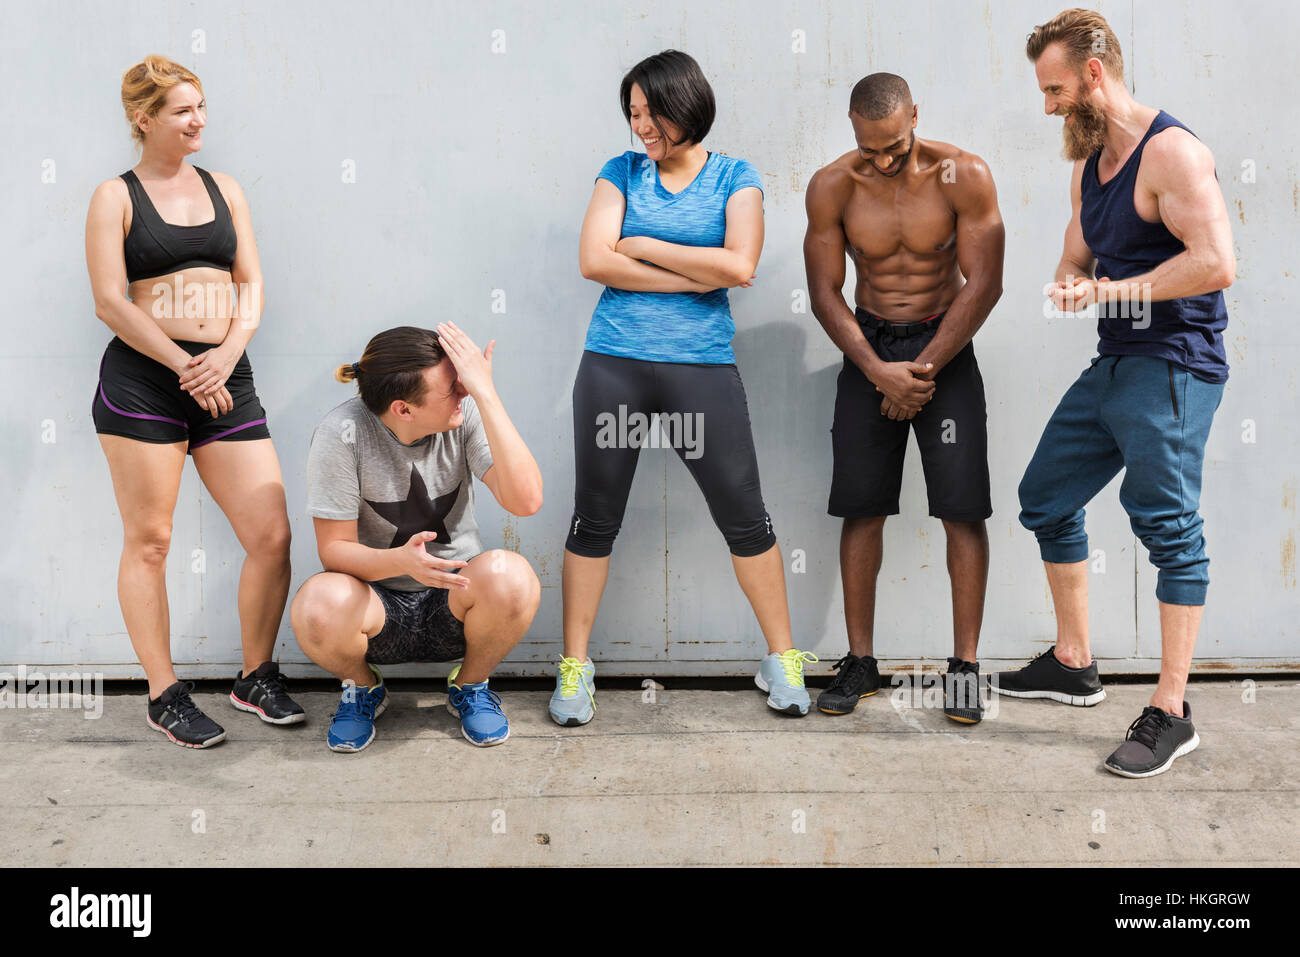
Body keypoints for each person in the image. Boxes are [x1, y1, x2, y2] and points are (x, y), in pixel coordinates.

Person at [996, 9, 1235, 777]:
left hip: (1175, 363)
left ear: (1095, 74)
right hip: (1117, 361)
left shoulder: (1174, 154)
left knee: (1165, 523)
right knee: (1045, 495)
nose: (1049, 106)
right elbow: (1077, 255)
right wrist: (1071, 285)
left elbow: (1215, 263)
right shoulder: (1089, 160)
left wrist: (1114, 291)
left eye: (1056, 88)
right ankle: (1074, 660)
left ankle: (1171, 708)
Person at [554, 49, 816, 725]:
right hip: (614, 363)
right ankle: (575, 666)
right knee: (594, 515)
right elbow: (592, 259)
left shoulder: (737, 175)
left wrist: (637, 244)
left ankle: (781, 657)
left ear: (685, 105)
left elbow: (740, 262)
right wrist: (698, 274)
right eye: (633, 113)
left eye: (651, 112)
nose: (641, 126)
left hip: (700, 369)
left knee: (744, 515)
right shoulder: (619, 172)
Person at [86, 55, 300, 748]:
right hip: (146, 381)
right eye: (182, 110)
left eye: (201, 106)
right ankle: (164, 692)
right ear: (144, 120)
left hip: (225, 376)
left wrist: (228, 356)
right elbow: (110, 302)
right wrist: (184, 363)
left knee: (271, 534)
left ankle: (254, 677)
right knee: (151, 541)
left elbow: (253, 285)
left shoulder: (225, 188)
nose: (199, 119)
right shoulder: (114, 197)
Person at [803, 73, 1005, 723]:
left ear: (915, 115)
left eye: (893, 146)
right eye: (870, 148)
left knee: (962, 508)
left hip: (943, 347)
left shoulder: (964, 174)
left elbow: (986, 283)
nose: (883, 160)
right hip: (869, 348)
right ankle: (861, 662)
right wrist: (876, 369)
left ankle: (965, 667)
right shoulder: (834, 185)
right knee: (862, 508)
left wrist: (917, 372)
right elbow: (826, 293)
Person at [293, 324, 542, 752]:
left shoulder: (465, 414)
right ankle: (363, 688)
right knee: (317, 605)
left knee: (512, 577)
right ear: (404, 409)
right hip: (378, 608)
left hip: (453, 599)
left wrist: (487, 394)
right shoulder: (341, 433)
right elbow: (333, 550)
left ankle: (471, 685)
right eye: (454, 387)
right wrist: (402, 564)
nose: (463, 392)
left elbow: (526, 500)